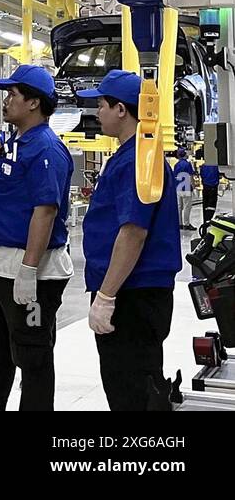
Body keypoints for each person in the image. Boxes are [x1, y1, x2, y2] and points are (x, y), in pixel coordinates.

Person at [76, 70, 182, 411]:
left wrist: (106, 296)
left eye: (102, 105)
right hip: (134, 291)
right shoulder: (133, 154)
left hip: (132, 294)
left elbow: (133, 231)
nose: (97, 113)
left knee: (132, 390)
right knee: (133, 383)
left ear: (121, 109)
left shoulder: (139, 158)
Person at [0, 64, 74, 412]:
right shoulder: (18, 143)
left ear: (33, 103)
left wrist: (29, 270)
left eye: (13, 94)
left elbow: (44, 211)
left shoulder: (46, 148)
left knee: (32, 357)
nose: (6, 99)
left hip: (29, 275)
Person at [173, 147, 197, 231]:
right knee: (187, 207)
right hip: (186, 187)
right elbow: (190, 176)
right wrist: (193, 186)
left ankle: (179, 224)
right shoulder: (187, 164)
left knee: (179, 207)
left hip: (178, 188)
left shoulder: (176, 165)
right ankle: (186, 224)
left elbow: (174, 177)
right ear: (185, 154)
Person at [200, 156, 223, 226]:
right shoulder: (216, 166)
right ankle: (208, 220)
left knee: (205, 205)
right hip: (213, 187)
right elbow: (220, 175)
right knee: (211, 206)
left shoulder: (203, 166)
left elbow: (202, 175)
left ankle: (205, 221)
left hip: (205, 187)